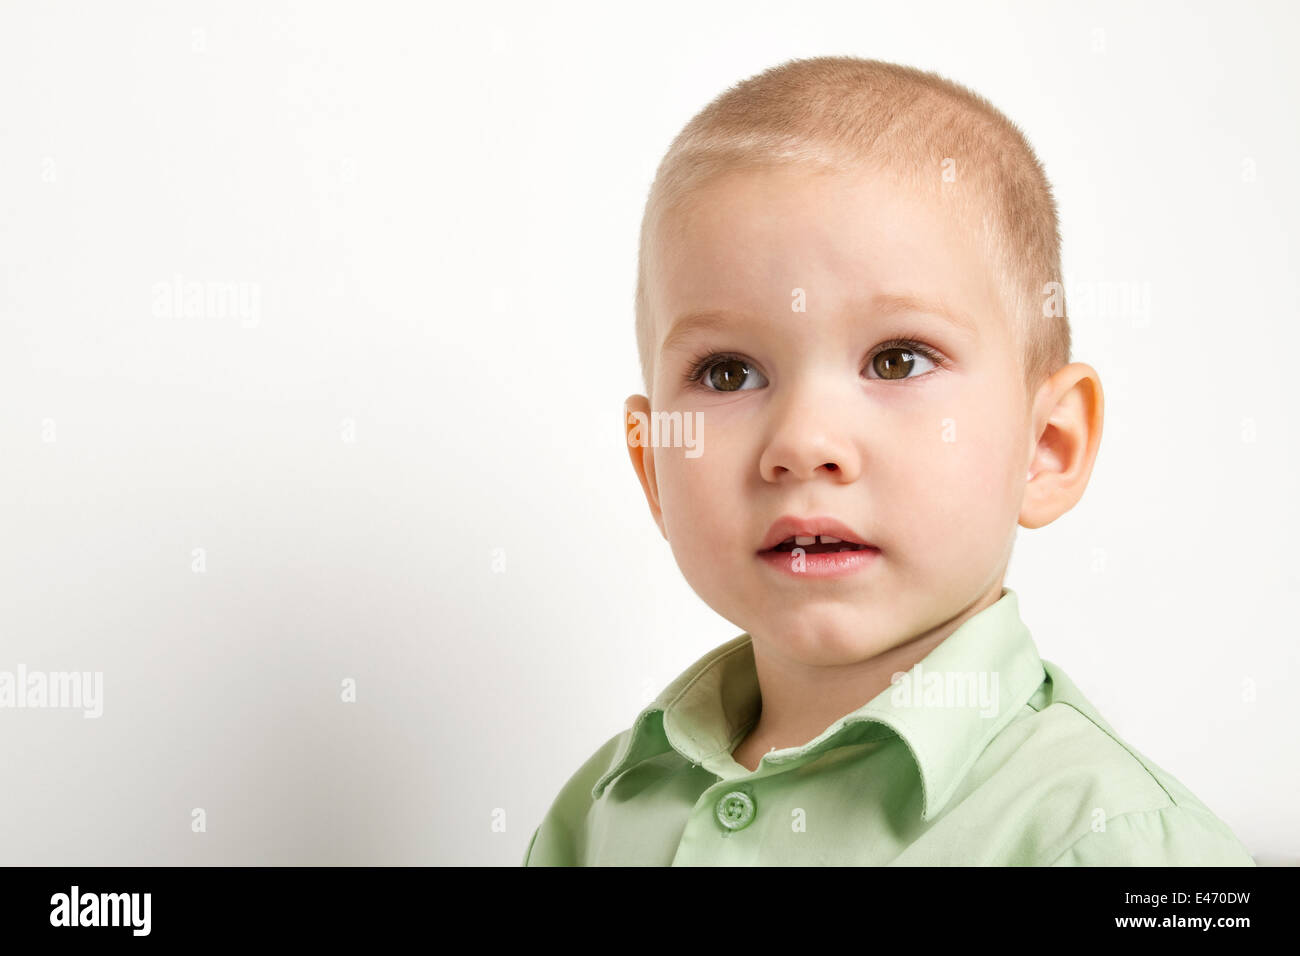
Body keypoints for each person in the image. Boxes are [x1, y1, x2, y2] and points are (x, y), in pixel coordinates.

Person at [523, 56, 1254, 865]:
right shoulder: (598, 817)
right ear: (655, 467)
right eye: (728, 372)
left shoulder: (1117, 845)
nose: (803, 443)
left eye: (898, 361)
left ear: (1047, 447)